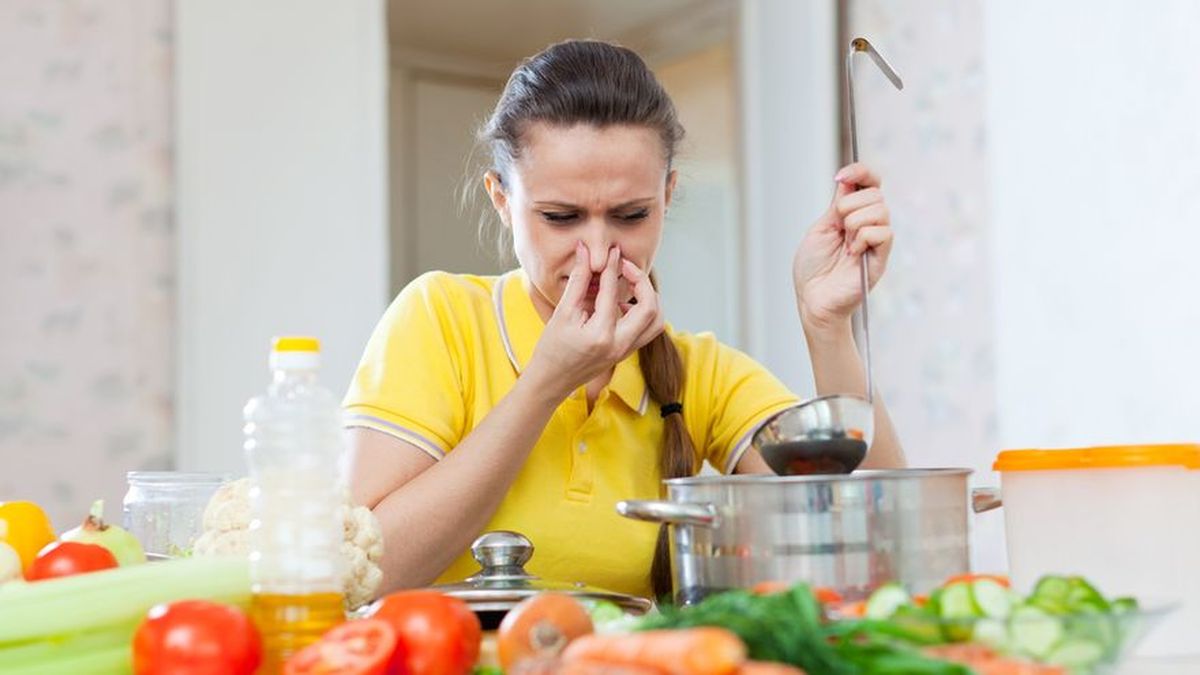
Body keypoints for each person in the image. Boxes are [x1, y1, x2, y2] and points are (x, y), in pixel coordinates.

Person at [343, 39, 903, 600]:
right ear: (501, 200)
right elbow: (363, 577)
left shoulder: (697, 372)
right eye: (560, 218)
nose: (598, 251)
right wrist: (547, 382)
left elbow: (873, 548)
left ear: (668, 196)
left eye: (631, 215)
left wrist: (828, 326)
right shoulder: (440, 319)